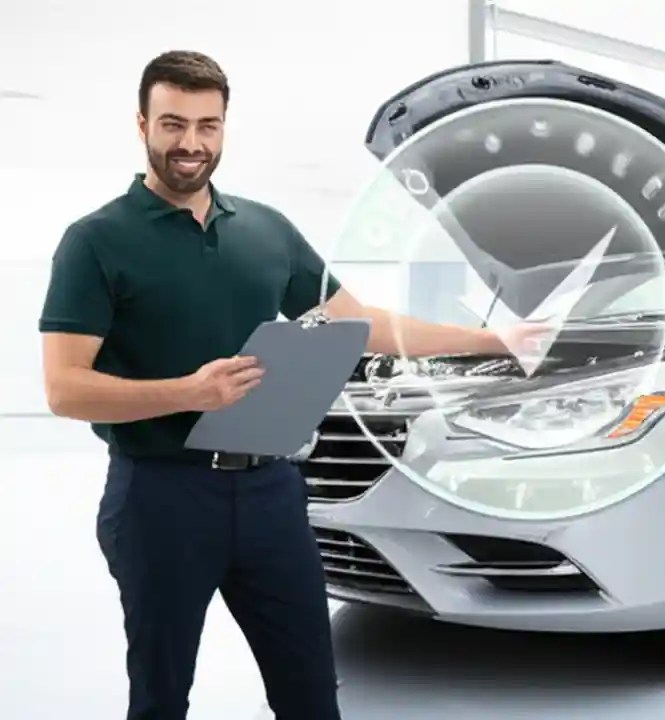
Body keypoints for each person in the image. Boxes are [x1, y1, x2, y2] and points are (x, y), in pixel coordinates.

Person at [38, 50, 540, 720]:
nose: (191, 143)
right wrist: (189, 392)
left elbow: (363, 323)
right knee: (160, 700)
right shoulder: (94, 241)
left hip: (272, 494)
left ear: (224, 128)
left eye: (207, 126)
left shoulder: (267, 230)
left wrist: (492, 340)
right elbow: (66, 389)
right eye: (173, 124)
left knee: (310, 696)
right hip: (160, 498)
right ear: (142, 124)